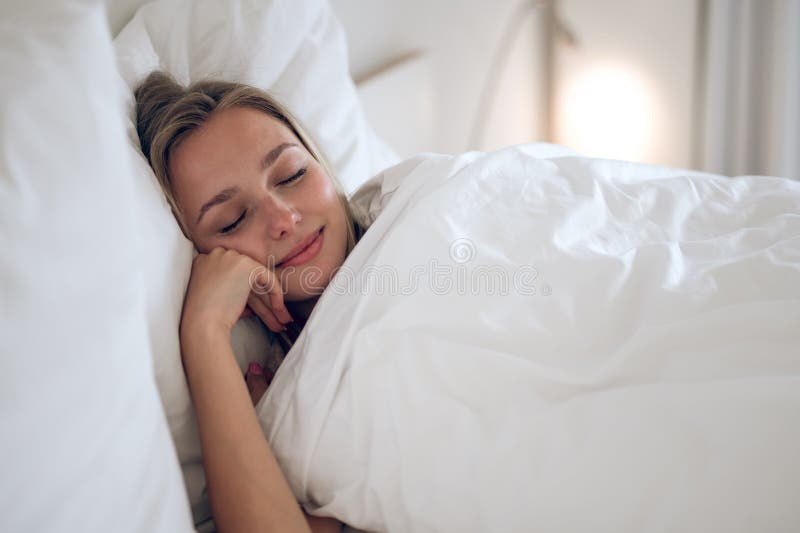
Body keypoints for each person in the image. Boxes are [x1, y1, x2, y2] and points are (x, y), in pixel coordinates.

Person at [135, 71, 362, 533]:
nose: (283, 218)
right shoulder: (283, 401)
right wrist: (204, 334)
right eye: (233, 219)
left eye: (292, 174)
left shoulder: (416, 216)